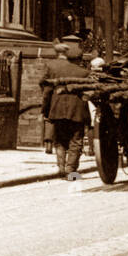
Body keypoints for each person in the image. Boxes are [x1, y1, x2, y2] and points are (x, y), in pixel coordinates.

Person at [42, 42, 92, 180]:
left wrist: (45, 110)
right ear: (79, 59)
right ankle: (71, 170)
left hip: (57, 110)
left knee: (60, 141)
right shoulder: (84, 73)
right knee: (76, 141)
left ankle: (61, 167)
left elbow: (47, 91)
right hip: (77, 111)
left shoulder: (54, 68)